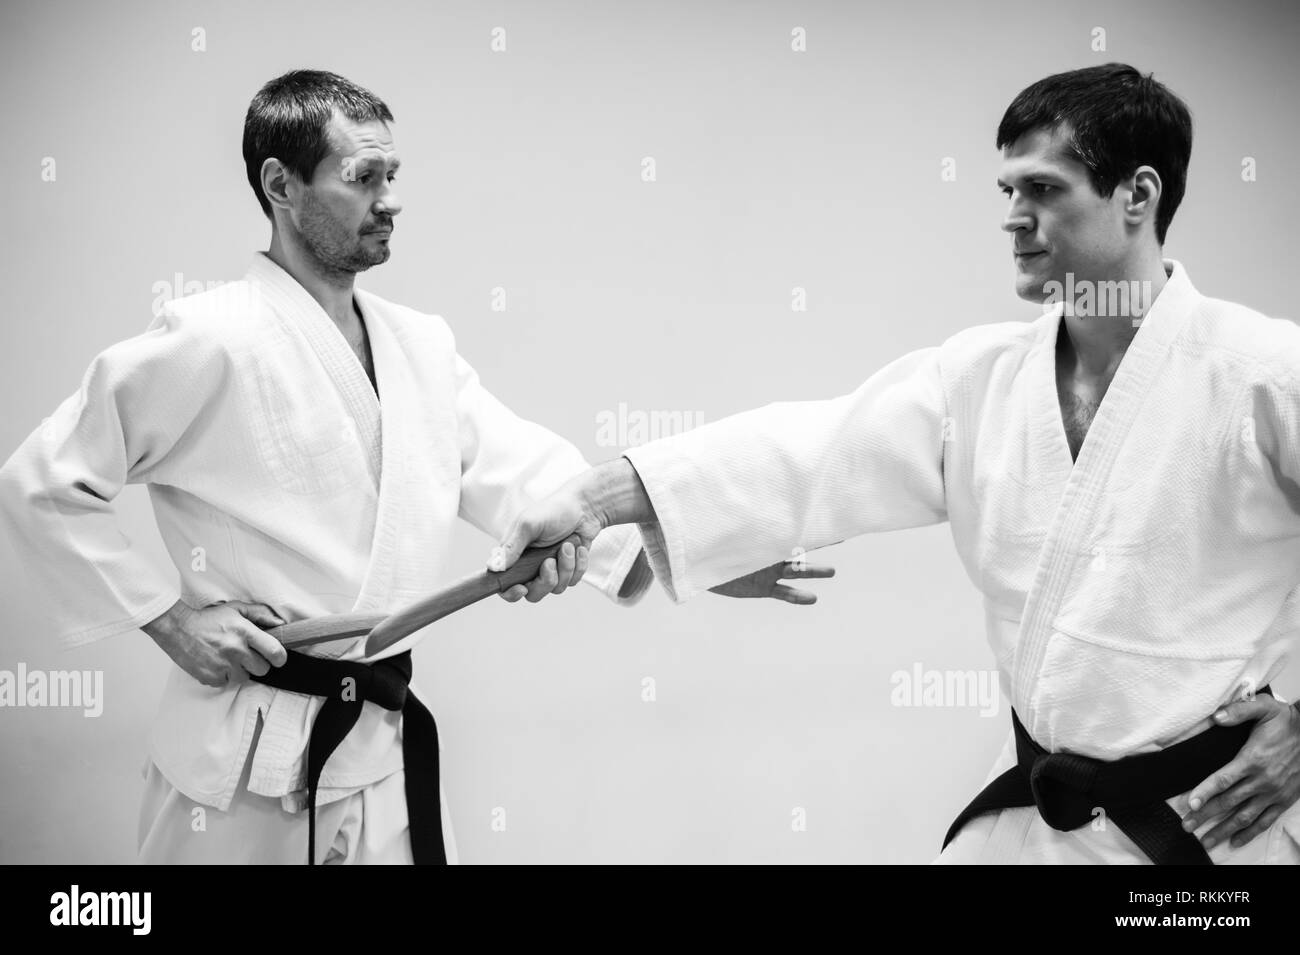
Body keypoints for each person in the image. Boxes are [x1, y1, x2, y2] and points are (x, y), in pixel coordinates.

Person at [489, 63, 1300, 864]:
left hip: (1211, 832)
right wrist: (594, 499)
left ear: (1138, 195)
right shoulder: (980, 380)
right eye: (1008, 192)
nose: (1014, 217)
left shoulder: (1263, 376)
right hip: (1035, 824)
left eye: (1045, 190)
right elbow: (811, 450)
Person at [0, 69, 814, 865]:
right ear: (280, 185)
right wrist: (170, 622)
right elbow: (39, 481)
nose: (390, 199)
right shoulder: (209, 337)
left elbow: (531, 477)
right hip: (245, 767)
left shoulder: (419, 345)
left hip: (381, 749)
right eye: (363, 177)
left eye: (393, 174)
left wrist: (692, 543)